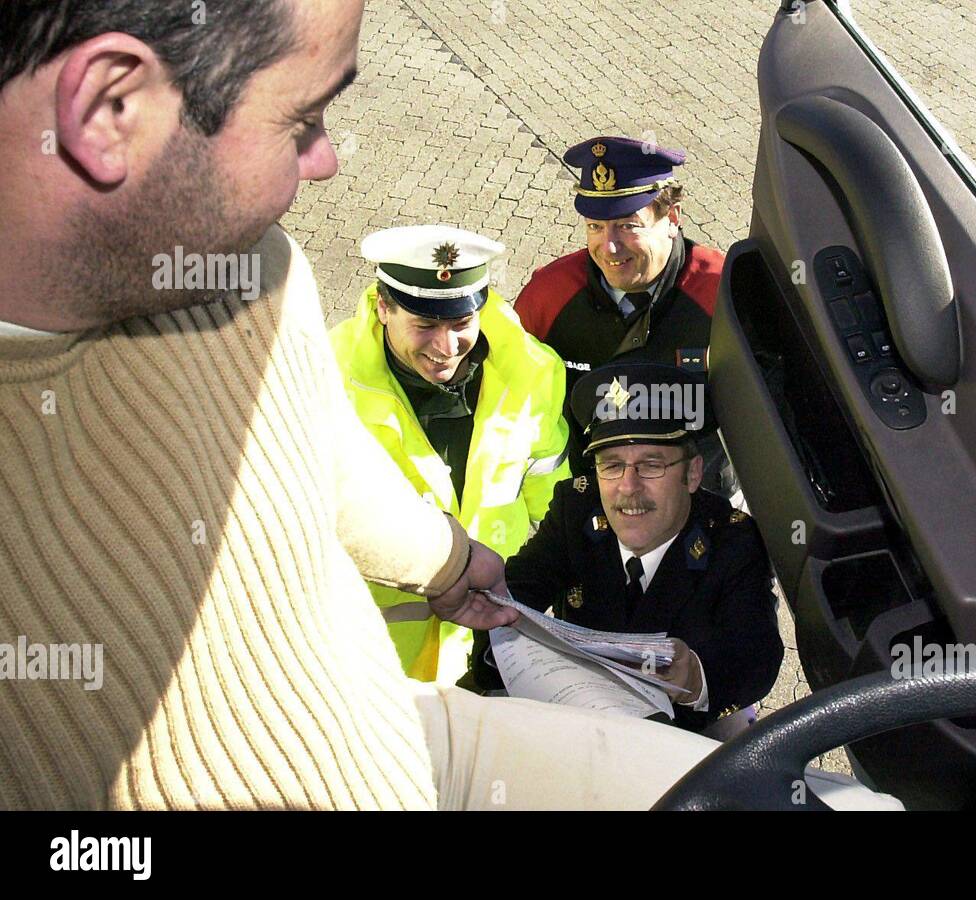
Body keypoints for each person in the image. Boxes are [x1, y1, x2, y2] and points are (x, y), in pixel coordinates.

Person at [0, 0, 898, 811]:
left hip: (406, 734)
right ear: (109, 108)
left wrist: (447, 560)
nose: (328, 161)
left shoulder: (245, 270)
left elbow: (309, 445)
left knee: (840, 807)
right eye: (302, 118)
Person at [475, 363, 784, 733]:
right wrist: (494, 655)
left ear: (693, 473)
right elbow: (516, 592)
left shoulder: (733, 540)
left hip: (686, 726)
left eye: (651, 465)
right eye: (611, 465)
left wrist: (693, 676)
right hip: (581, 712)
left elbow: (755, 654)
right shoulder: (577, 510)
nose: (628, 487)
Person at [330, 225, 569, 684]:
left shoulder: (533, 373)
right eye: (424, 325)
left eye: (461, 323)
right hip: (372, 659)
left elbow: (551, 492)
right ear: (383, 307)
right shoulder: (326, 381)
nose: (446, 348)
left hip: (497, 636)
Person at [512, 137, 734, 488]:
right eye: (595, 227)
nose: (609, 248)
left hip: (701, 497)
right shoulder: (547, 297)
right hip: (591, 495)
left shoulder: (724, 294)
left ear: (672, 217)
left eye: (627, 225)